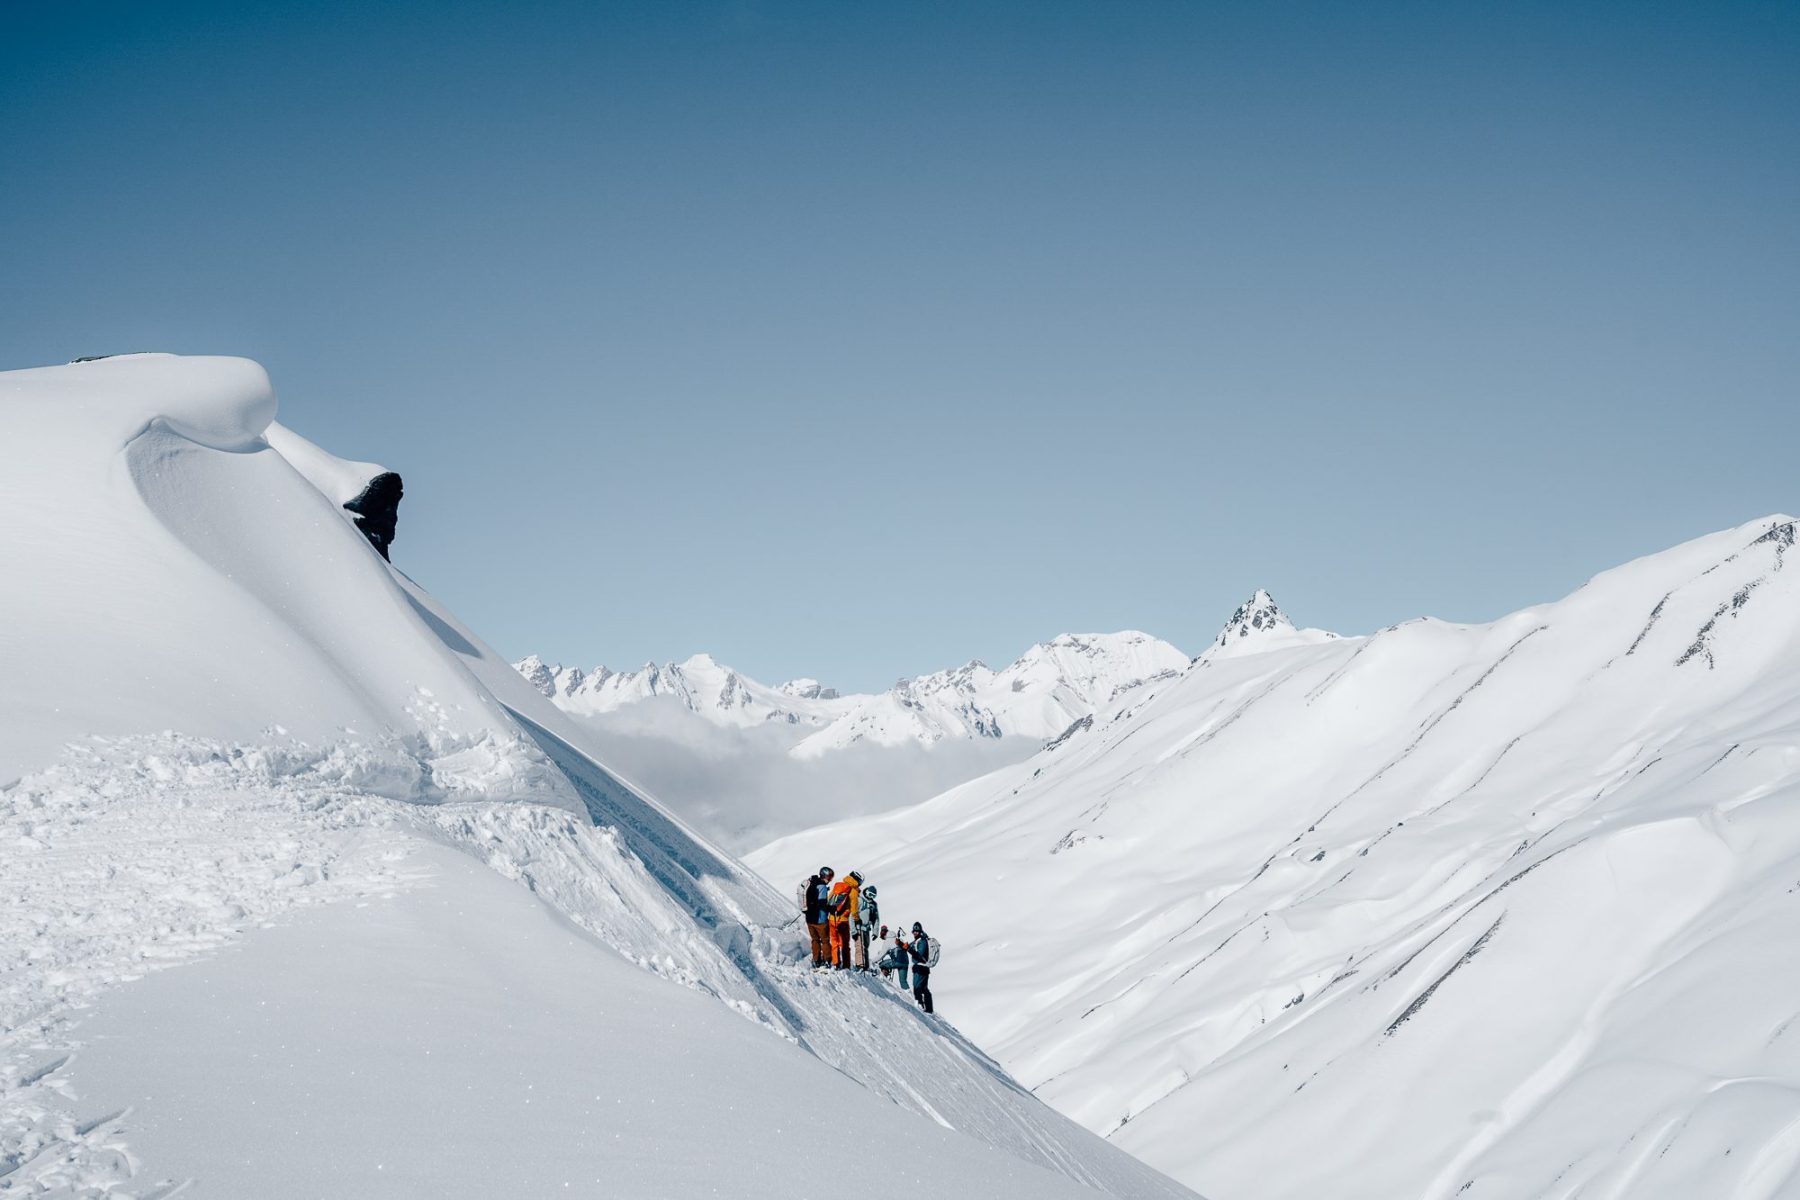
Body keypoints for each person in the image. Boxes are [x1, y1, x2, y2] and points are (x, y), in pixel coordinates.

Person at [827, 870, 862, 969]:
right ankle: (846, 965)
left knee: (834, 942)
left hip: (832, 919)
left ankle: (836, 963)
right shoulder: (853, 891)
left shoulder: (838, 885)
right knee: (844, 944)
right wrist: (857, 919)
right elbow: (854, 910)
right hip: (843, 921)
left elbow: (829, 900)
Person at [803, 867, 834, 968]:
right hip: (820, 920)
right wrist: (831, 908)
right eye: (829, 877)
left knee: (815, 940)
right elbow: (822, 904)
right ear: (824, 875)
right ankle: (827, 960)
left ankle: (816, 960)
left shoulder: (811, 883)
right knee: (825, 940)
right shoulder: (822, 887)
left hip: (809, 919)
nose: (830, 880)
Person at [906, 921, 935, 1013]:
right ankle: (928, 1009)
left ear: (920, 931)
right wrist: (903, 945)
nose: (915, 933)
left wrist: (909, 949)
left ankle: (920, 1006)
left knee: (917, 987)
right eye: (914, 931)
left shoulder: (922, 941)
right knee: (923, 988)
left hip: (921, 967)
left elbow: (919, 955)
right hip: (922, 968)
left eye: (917, 931)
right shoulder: (918, 941)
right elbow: (909, 947)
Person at [853, 883, 880, 971]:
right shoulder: (859, 900)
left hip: (867, 929)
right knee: (859, 946)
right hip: (858, 927)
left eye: (873, 896)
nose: (871, 897)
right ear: (867, 892)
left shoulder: (873, 904)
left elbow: (876, 919)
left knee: (865, 947)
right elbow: (852, 914)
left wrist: (875, 932)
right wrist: (853, 930)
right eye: (870, 894)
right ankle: (860, 965)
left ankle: (865, 966)